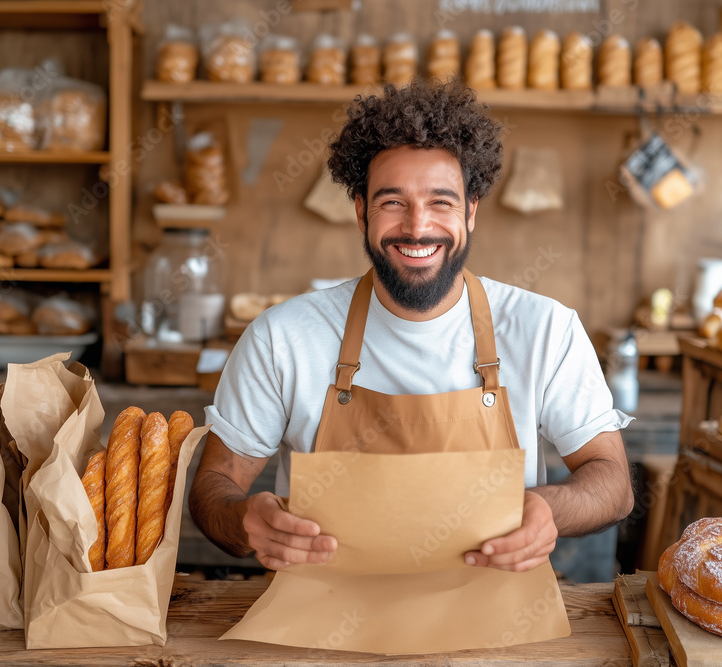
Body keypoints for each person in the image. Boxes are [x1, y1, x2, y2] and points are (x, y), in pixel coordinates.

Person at [190, 78, 634, 574]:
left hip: (495, 629)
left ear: (471, 211)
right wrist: (245, 522)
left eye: (441, 202)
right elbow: (212, 490)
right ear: (361, 212)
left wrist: (549, 509)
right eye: (393, 202)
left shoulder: (546, 329)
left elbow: (613, 484)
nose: (418, 227)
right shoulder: (282, 337)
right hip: (323, 629)